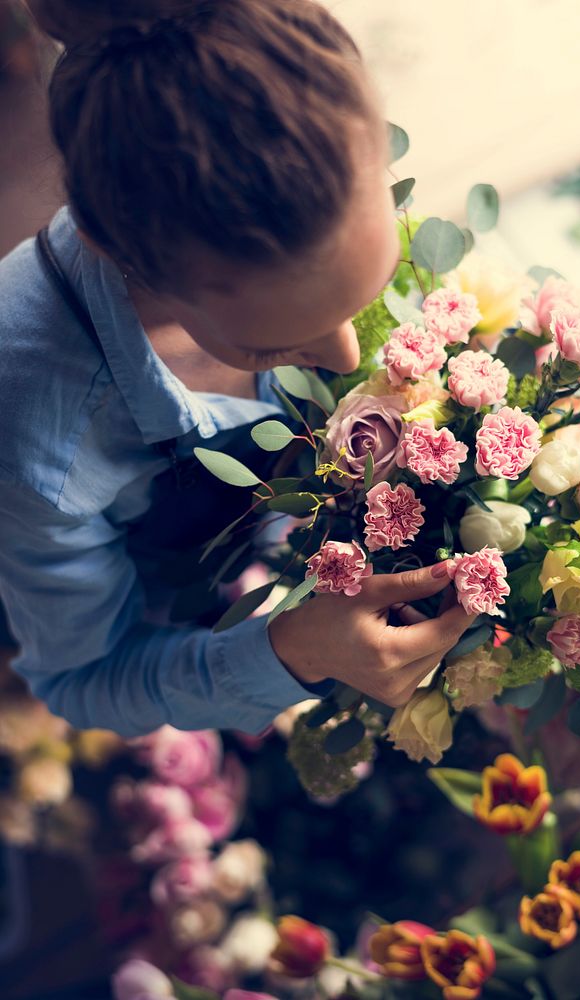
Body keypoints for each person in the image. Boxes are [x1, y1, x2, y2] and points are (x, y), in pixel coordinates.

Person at [0, 0, 475, 738]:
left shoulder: (301, 142)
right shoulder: (35, 432)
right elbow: (81, 676)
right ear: (116, 246)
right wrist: (291, 651)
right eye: (271, 348)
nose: (347, 357)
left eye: (369, 287)